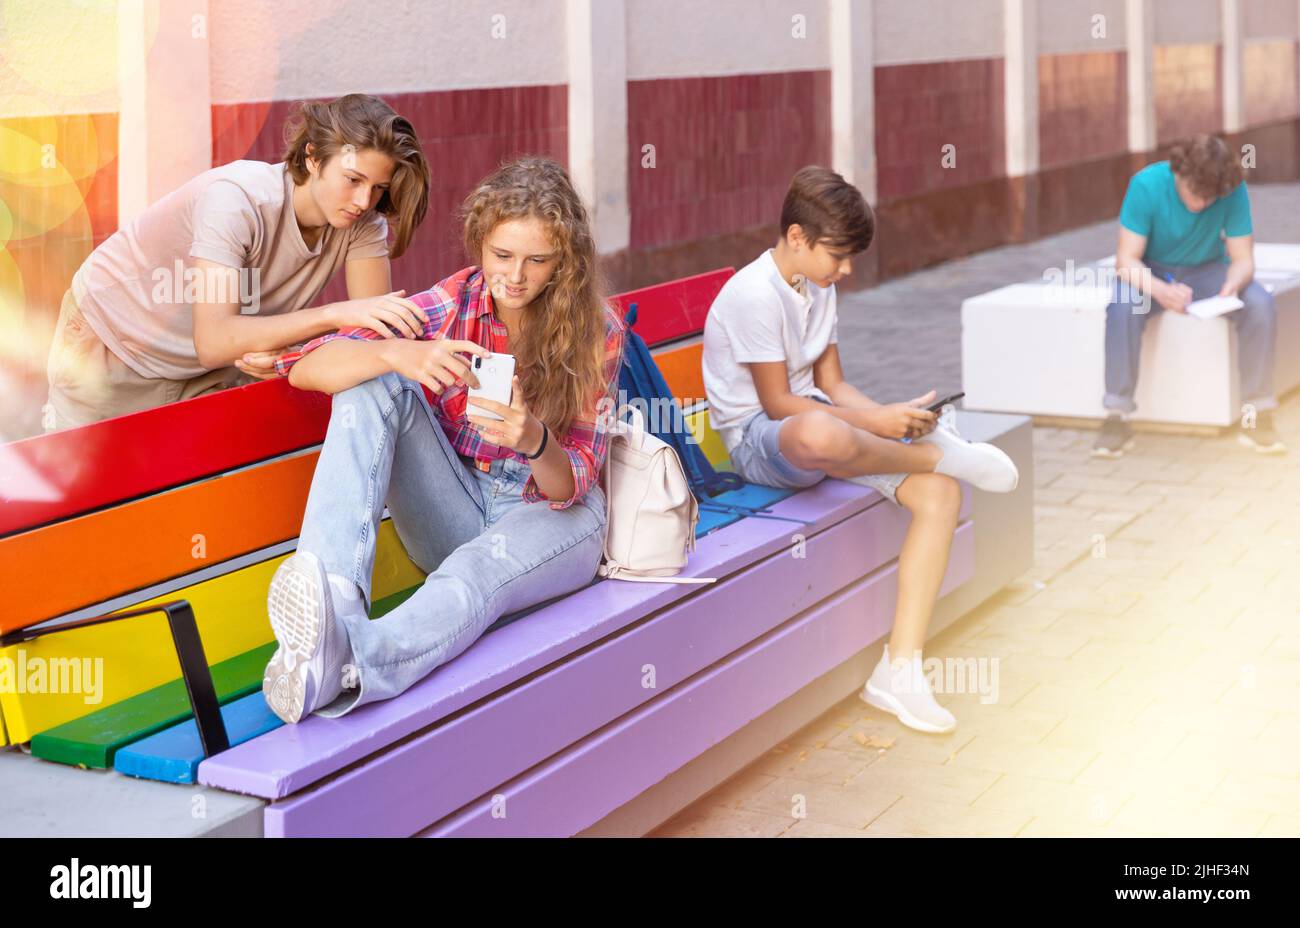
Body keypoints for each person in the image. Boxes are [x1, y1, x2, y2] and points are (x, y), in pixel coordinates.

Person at [260, 157, 625, 723]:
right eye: (502, 256)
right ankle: (333, 601)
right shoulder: (450, 305)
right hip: (455, 506)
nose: (515, 276)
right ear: (480, 245)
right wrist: (398, 354)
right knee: (371, 384)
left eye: (538, 260)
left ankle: (351, 659)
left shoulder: (594, 330)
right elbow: (304, 365)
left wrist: (532, 438)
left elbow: (570, 484)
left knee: (477, 571)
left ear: (565, 261)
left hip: (552, 518)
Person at [702, 165, 1019, 734]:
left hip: (824, 428)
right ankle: (940, 453)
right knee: (821, 433)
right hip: (762, 442)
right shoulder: (753, 294)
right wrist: (873, 423)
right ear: (797, 237)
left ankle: (899, 671)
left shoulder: (815, 285)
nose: (845, 270)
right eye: (838, 255)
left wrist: (891, 420)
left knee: (941, 497)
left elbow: (835, 385)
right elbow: (777, 404)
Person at [43, 93, 432, 430]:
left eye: (378, 187)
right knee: (94, 501)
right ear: (313, 157)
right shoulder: (236, 201)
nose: (364, 201)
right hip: (113, 343)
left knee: (188, 498)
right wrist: (335, 314)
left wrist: (290, 352)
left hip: (204, 366)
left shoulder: (361, 222)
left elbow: (370, 338)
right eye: (353, 179)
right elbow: (214, 340)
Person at [1094, 133, 1284, 457]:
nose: (1202, 204)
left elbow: (1242, 259)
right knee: (1123, 304)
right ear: (1178, 173)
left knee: (1260, 304)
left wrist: (1233, 284)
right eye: (1195, 193)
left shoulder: (1231, 187)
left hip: (1208, 270)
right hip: (1151, 270)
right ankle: (1117, 415)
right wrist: (1161, 291)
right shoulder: (1146, 185)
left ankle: (1256, 415)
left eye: (1210, 198)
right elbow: (1126, 261)